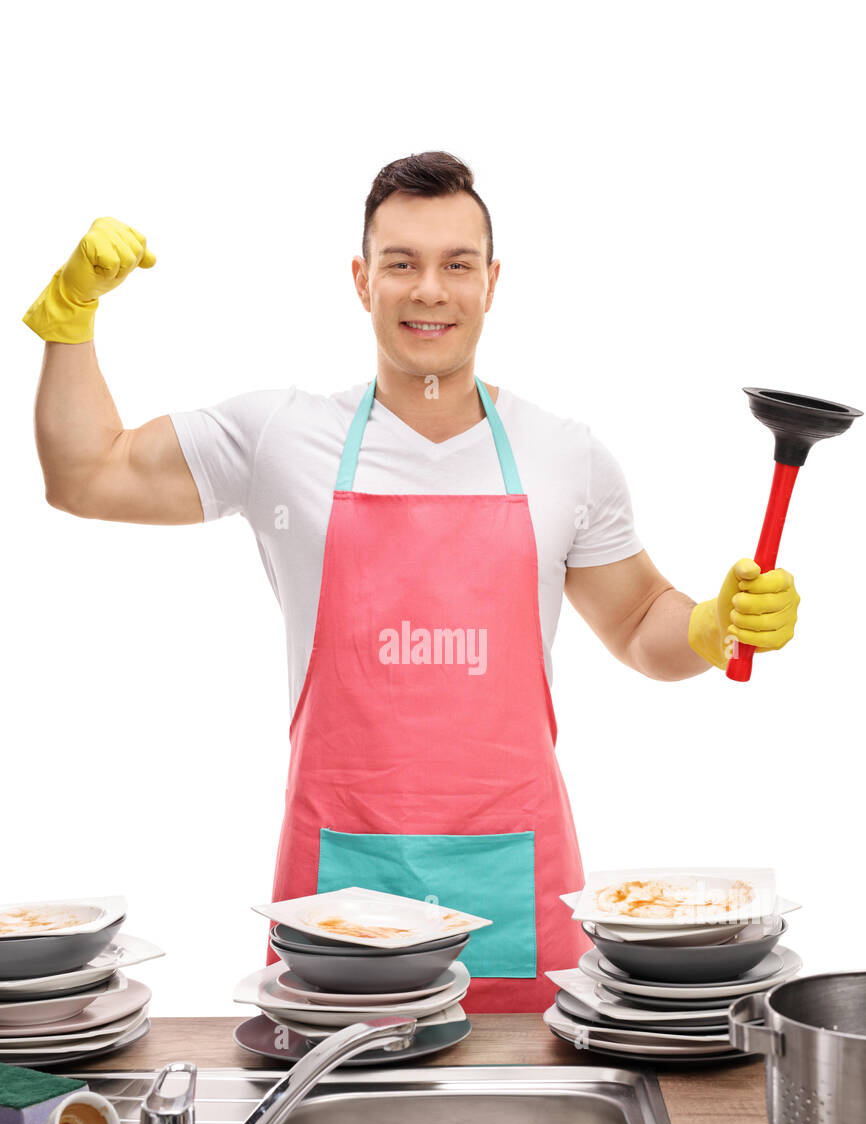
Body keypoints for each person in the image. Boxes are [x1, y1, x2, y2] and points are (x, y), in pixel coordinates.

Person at [22, 151, 800, 1013]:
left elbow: (639, 620)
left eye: (456, 264)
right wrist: (72, 316)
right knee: (335, 1116)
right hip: (337, 900)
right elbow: (87, 472)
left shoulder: (562, 454)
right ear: (362, 280)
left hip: (518, 885)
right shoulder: (284, 438)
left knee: (528, 1121)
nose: (430, 290)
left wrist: (708, 626)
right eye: (402, 263)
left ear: (492, 281)